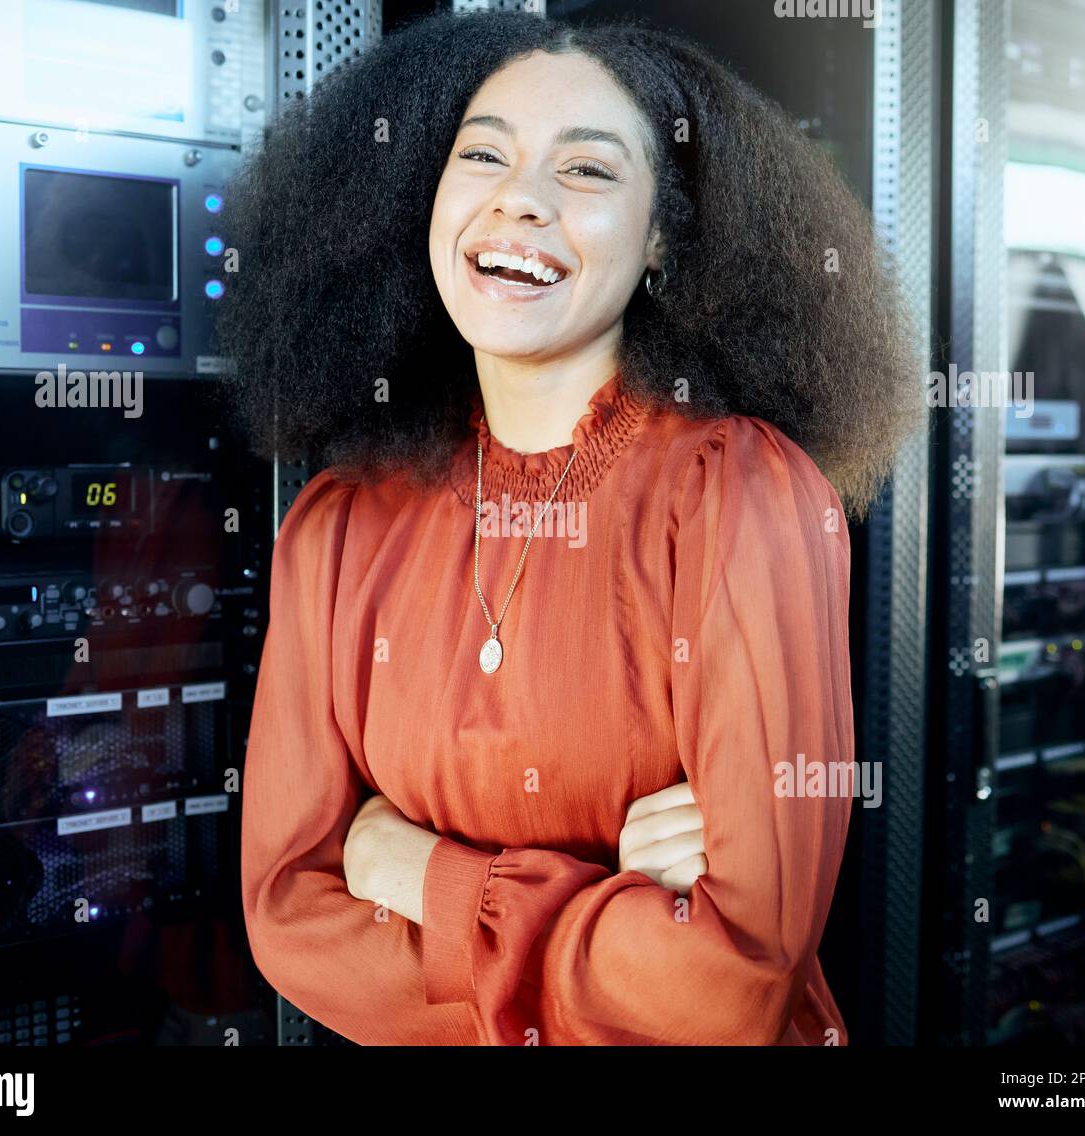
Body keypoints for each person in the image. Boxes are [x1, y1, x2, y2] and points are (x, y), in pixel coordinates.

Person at [217, 10, 923, 1045]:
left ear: (661, 242)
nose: (520, 200)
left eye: (586, 172)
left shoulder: (739, 495)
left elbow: (727, 986)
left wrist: (419, 874)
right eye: (483, 155)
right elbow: (290, 921)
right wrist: (612, 915)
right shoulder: (337, 526)